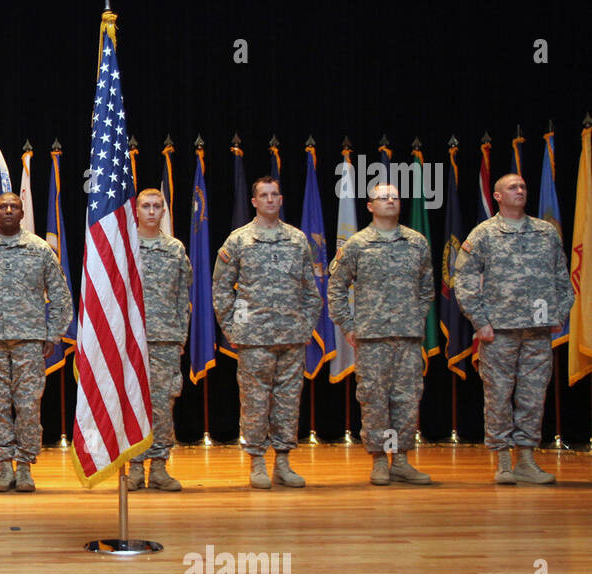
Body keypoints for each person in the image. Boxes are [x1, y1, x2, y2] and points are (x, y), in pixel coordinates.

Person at [454, 173, 574, 484]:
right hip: (500, 332)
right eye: (512, 187)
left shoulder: (546, 233)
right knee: (498, 396)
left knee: (533, 397)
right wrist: (480, 322)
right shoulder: (484, 234)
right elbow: (464, 283)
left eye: (523, 186)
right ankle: (503, 460)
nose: (520, 190)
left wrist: (559, 314)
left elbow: (563, 279)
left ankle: (527, 460)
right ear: (497, 196)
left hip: (538, 331)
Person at [212, 176, 322, 489]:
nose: (270, 199)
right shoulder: (239, 240)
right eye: (264, 194)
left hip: (291, 337)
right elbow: (222, 287)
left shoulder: (297, 239)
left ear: (281, 199)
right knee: (255, 403)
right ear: (254, 201)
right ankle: (257, 462)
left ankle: (283, 463)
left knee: (288, 402)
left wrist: (305, 326)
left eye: (275, 194)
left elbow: (310, 289)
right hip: (254, 339)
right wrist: (233, 326)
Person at [0, 192, 73, 492]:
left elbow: (60, 295)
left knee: (27, 405)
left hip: (29, 341)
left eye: (14, 207)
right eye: (2, 206)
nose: (8, 210)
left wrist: (52, 334)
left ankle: (24, 467)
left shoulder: (40, 249)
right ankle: (4, 467)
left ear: (22, 213)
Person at [327, 183, 434, 485]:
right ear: (370, 206)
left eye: (395, 197)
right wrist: (348, 325)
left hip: (408, 338)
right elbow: (336, 287)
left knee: (406, 399)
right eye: (383, 197)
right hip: (372, 339)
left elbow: (427, 288)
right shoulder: (358, 244)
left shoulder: (416, 243)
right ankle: (379, 460)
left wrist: (415, 317)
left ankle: (400, 459)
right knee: (374, 400)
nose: (390, 201)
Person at [129, 188, 191, 491]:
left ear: (163, 211)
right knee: (133, 404)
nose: (151, 211)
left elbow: (183, 298)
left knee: (162, 405)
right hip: (131, 340)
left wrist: (180, 336)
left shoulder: (175, 249)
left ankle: (159, 467)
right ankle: (136, 466)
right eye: (146, 206)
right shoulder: (124, 248)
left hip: (165, 339)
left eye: (157, 206)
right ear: (136, 210)